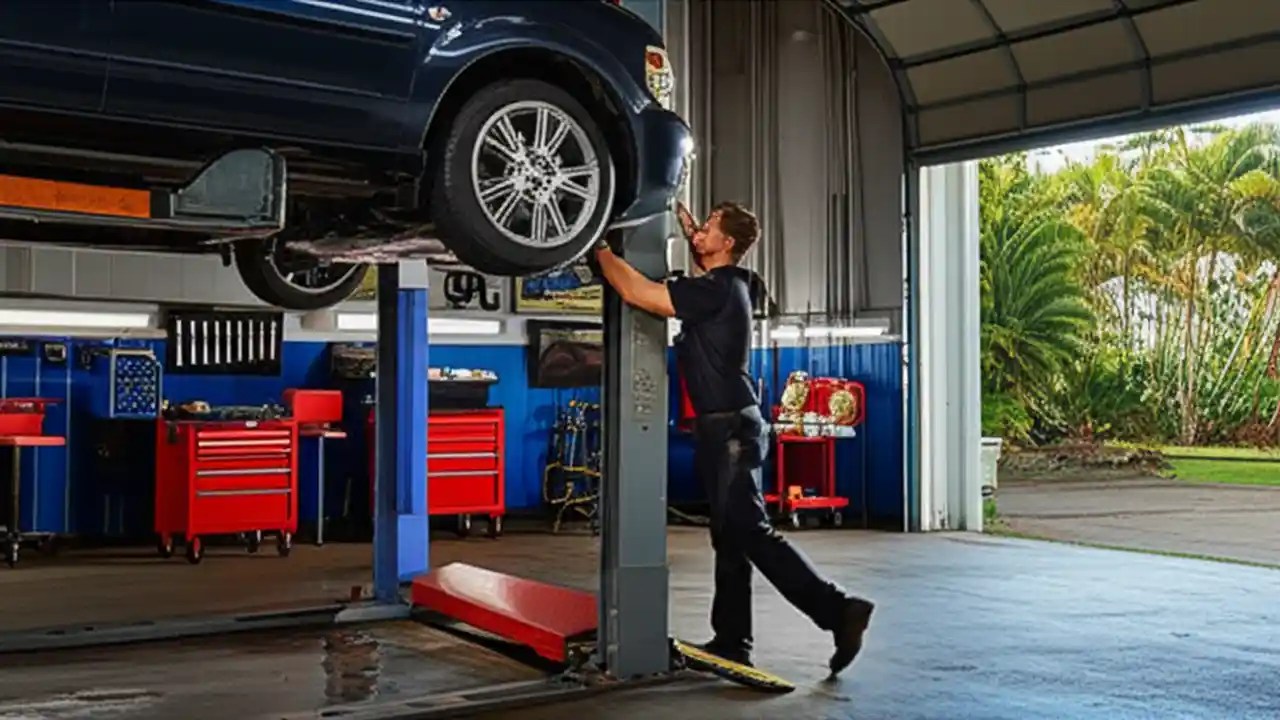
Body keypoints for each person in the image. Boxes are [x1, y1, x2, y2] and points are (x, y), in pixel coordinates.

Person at [590, 200, 875, 676]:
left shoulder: (717, 289)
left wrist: (599, 248)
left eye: (708, 228)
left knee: (750, 532)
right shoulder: (726, 287)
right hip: (725, 425)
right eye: (698, 226)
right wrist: (693, 239)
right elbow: (691, 273)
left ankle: (839, 610)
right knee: (729, 537)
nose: (698, 232)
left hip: (730, 429)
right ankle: (732, 640)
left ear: (728, 243)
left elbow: (636, 291)